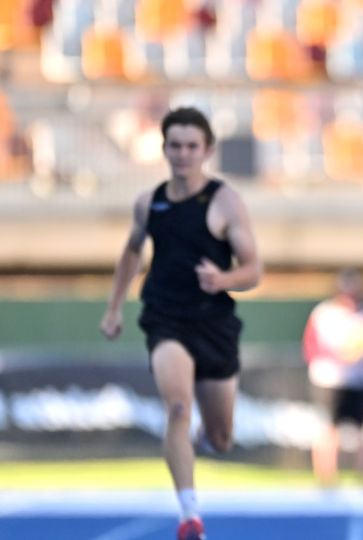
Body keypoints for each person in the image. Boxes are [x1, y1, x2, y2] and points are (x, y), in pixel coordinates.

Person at [100, 107, 262, 540]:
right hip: (165, 319)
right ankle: (190, 515)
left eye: (192, 146)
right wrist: (114, 307)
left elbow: (254, 271)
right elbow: (132, 253)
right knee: (176, 407)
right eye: (175, 145)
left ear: (206, 150)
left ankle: (206, 441)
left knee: (222, 436)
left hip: (213, 324)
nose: (183, 154)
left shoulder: (225, 201)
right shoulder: (148, 202)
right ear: (165, 148)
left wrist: (222, 279)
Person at [302, 269, 363, 486]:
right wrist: (339, 357)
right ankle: (326, 478)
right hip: (331, 381)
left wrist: (362, 357)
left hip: (362, 381)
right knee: (329, 429)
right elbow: (311, 347)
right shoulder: (323, 314)